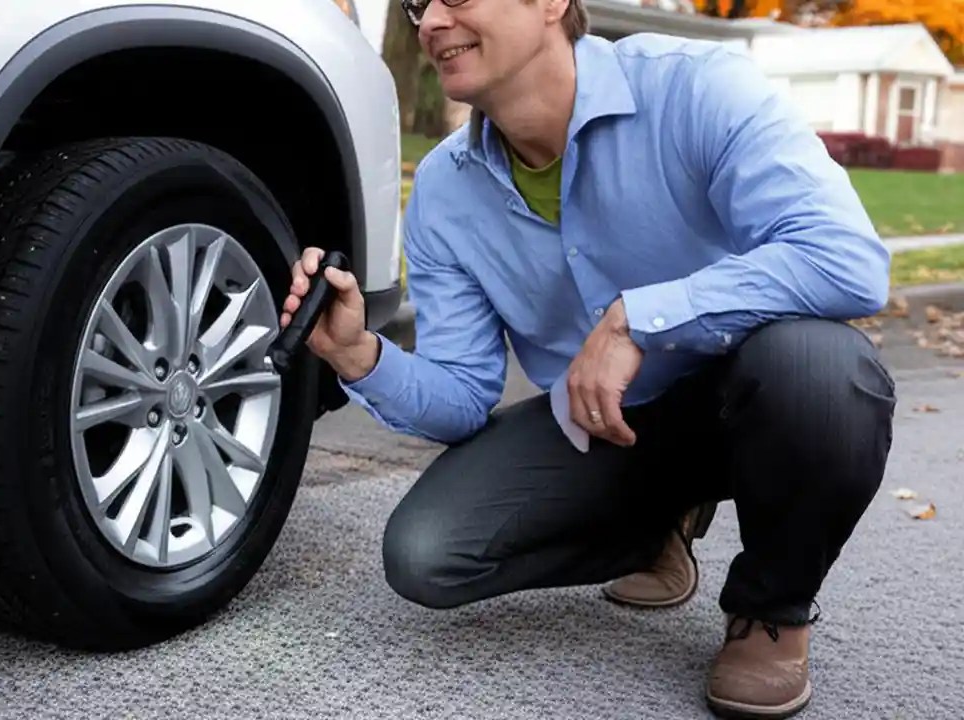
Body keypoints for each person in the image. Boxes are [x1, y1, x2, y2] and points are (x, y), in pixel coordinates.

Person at [279, 0, 897, 717]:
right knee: (427, 553)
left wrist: (639, 318)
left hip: (753, 389)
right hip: (609, 424)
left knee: (824, 371)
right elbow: (461, 395)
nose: (430, 21)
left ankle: (771, 609)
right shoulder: (445, 192)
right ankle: (655, 527)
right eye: (419, 3)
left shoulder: (697, 87)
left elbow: (846, 260)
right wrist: (358, 353)